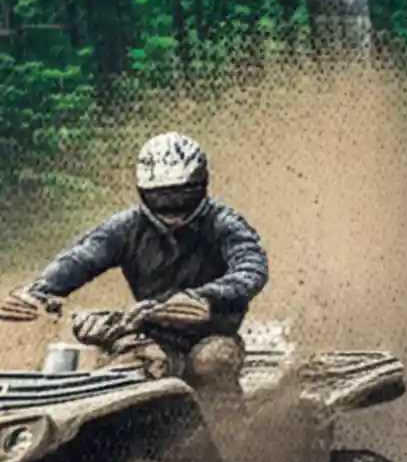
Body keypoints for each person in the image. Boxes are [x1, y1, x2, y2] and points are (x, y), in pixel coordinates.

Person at [0, 132, 268, 400]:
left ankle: (231, 425)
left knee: (212, 360)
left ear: (200, 185)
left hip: (211, 334)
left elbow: (251, 268)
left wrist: (205, 297)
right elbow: (82, 258)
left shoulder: (224, 223)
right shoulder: (127, 226)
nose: (172, 206)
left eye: (181, 195)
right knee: (127, 365)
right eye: (161, 196)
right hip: (149, 332)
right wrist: (39, 291)